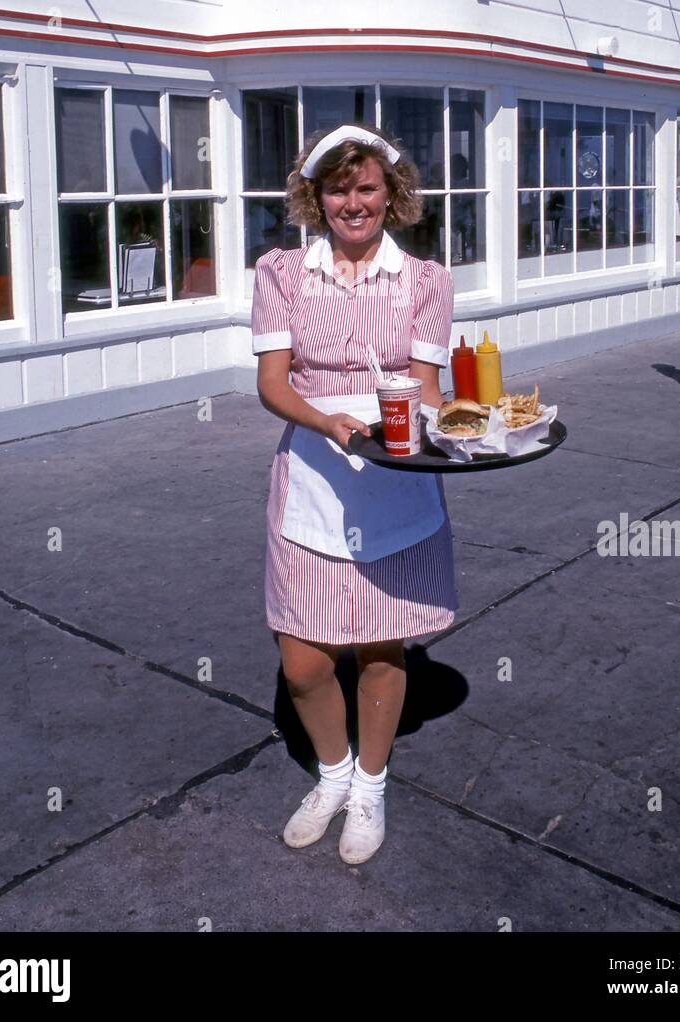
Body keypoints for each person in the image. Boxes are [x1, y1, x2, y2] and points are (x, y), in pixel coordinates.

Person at [250, 123, 457, 864]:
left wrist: (463, 426)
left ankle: (369, 787)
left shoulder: (426, 281)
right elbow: (272, 384)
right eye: (338, 188)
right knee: (304, 659)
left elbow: (428, 390)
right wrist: (328, 421)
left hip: (395, 473)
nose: (353, 202)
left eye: (366, 187)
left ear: (389, 194)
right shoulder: (281, 272)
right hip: (312, 466)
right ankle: (330, 775)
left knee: (380, 643)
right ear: (317, 195)